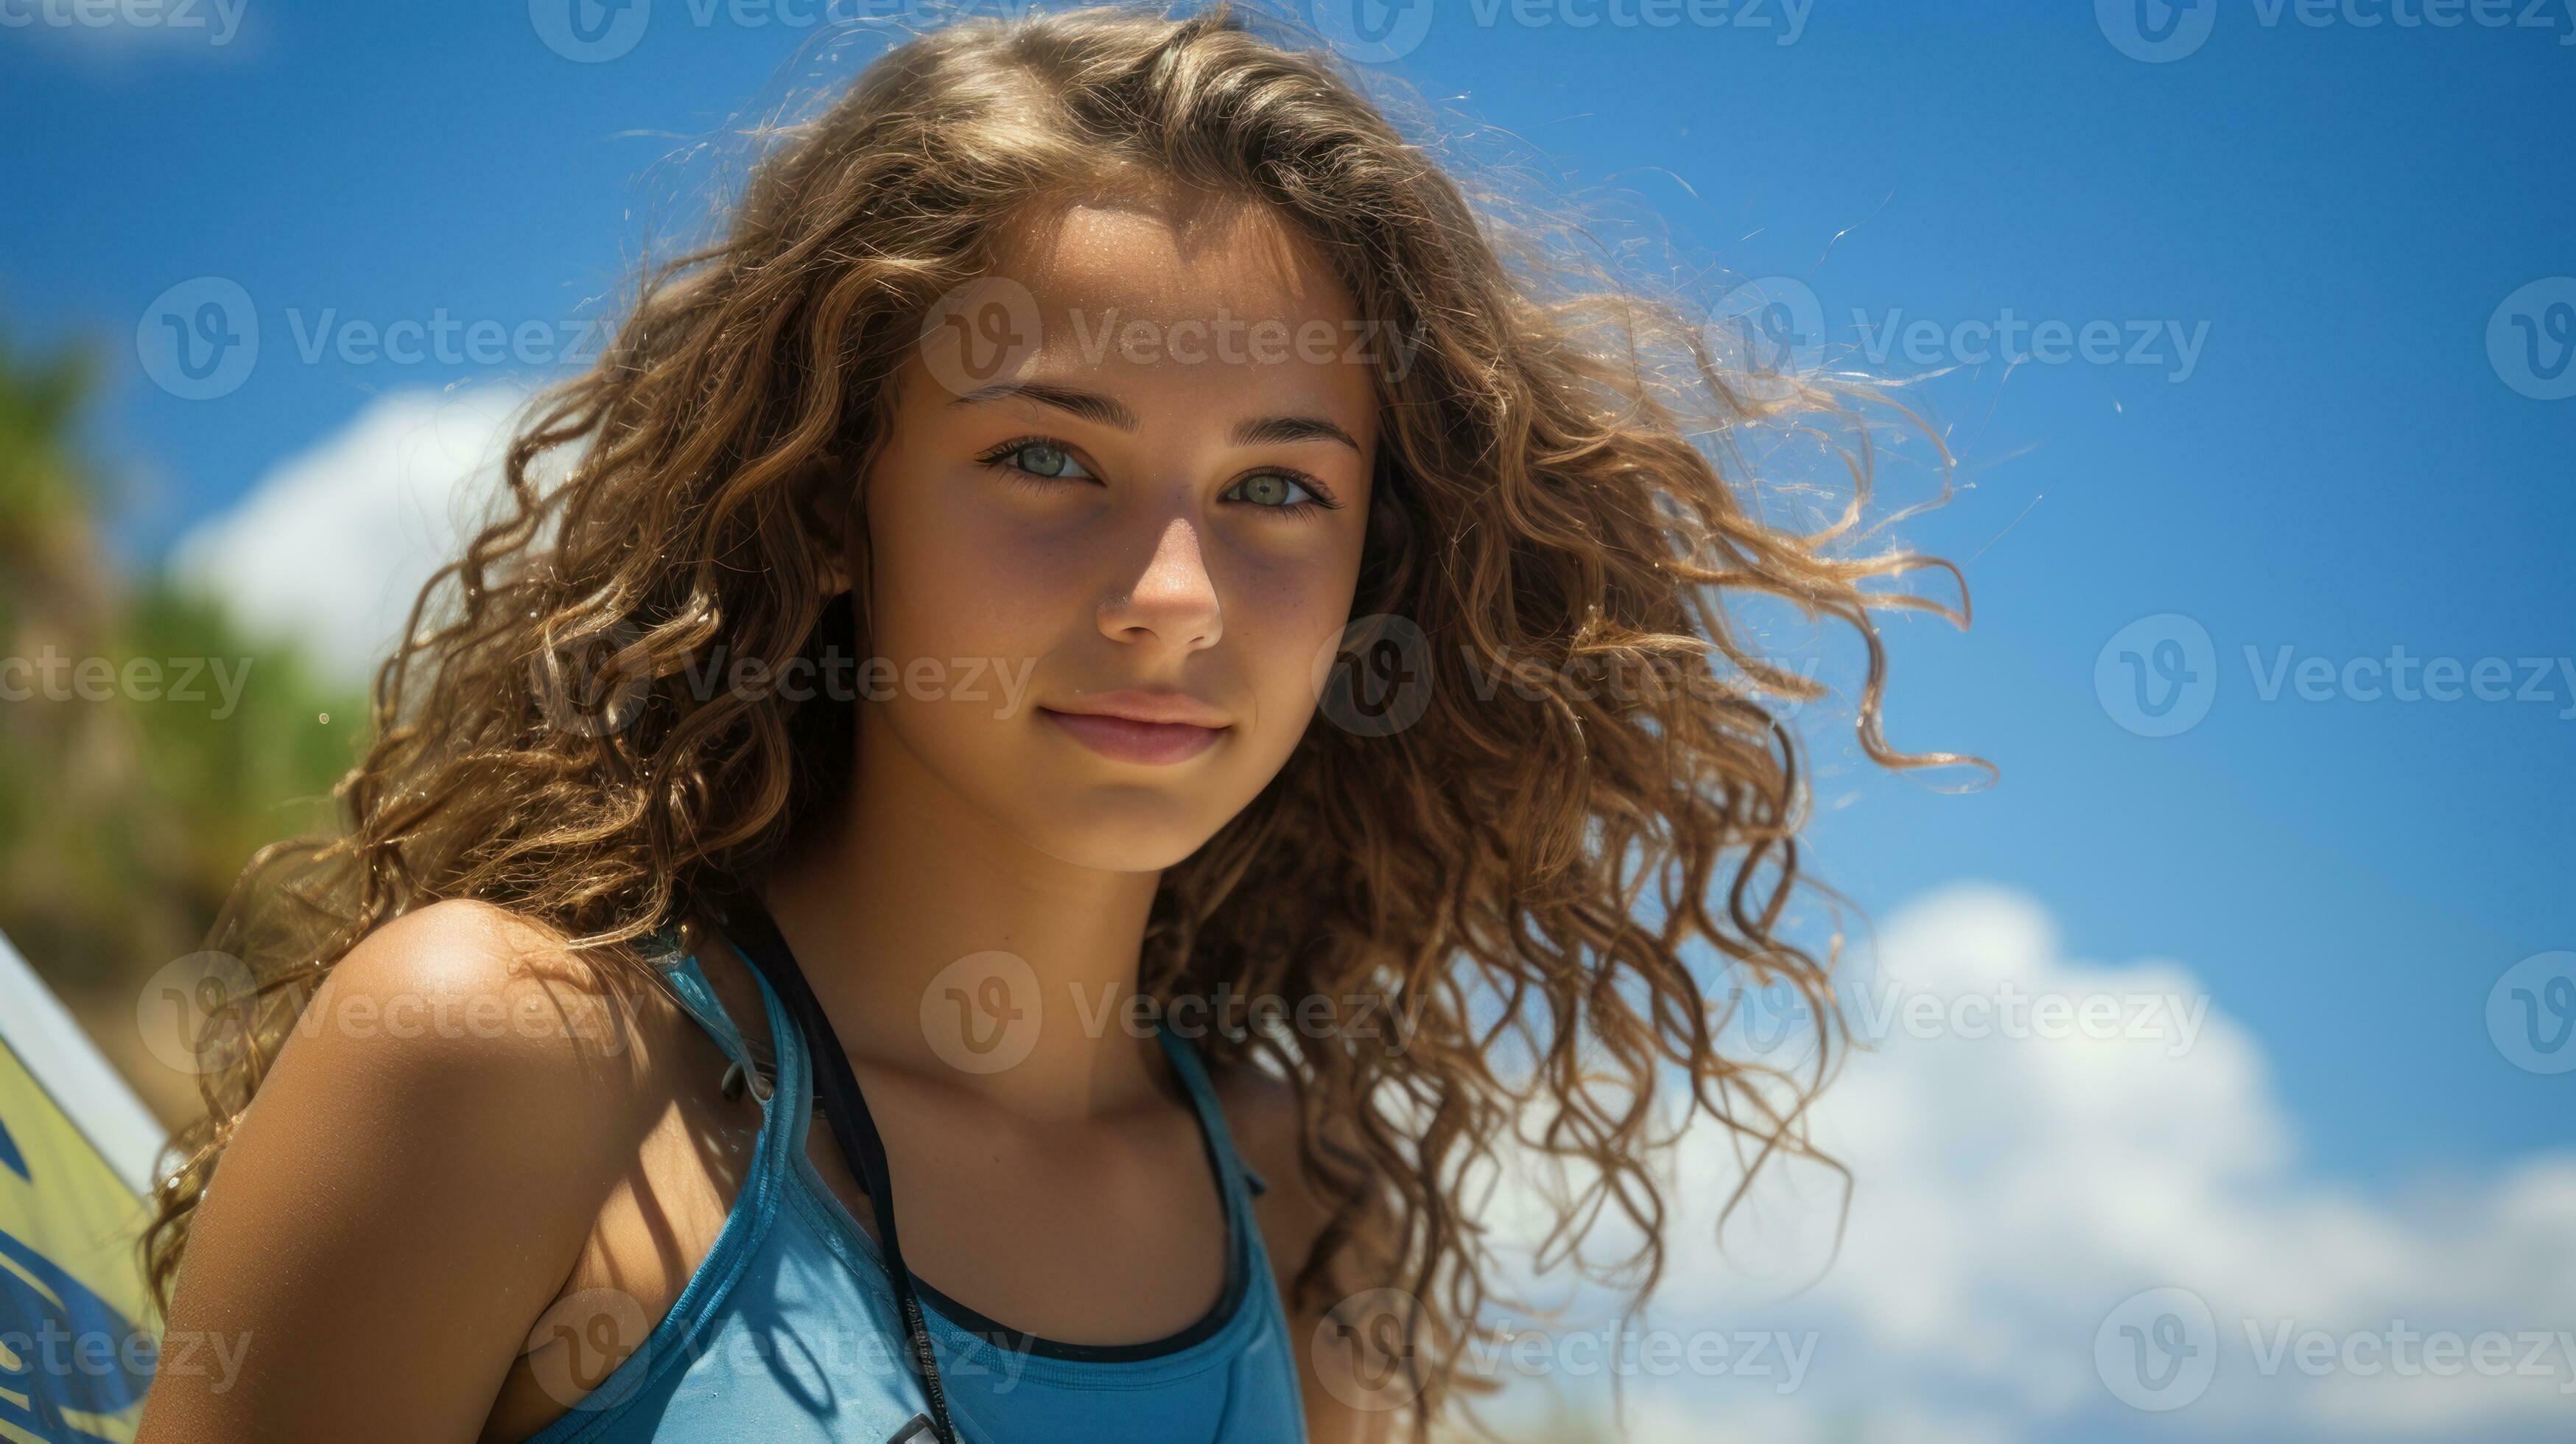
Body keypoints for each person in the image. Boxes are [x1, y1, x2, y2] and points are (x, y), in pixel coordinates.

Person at [134, 4, 1965, 1440]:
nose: (1171, 591)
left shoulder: (1308, 1204)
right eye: (1042, 457)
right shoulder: (513, 1064)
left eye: (1276, 491)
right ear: (831, 499)